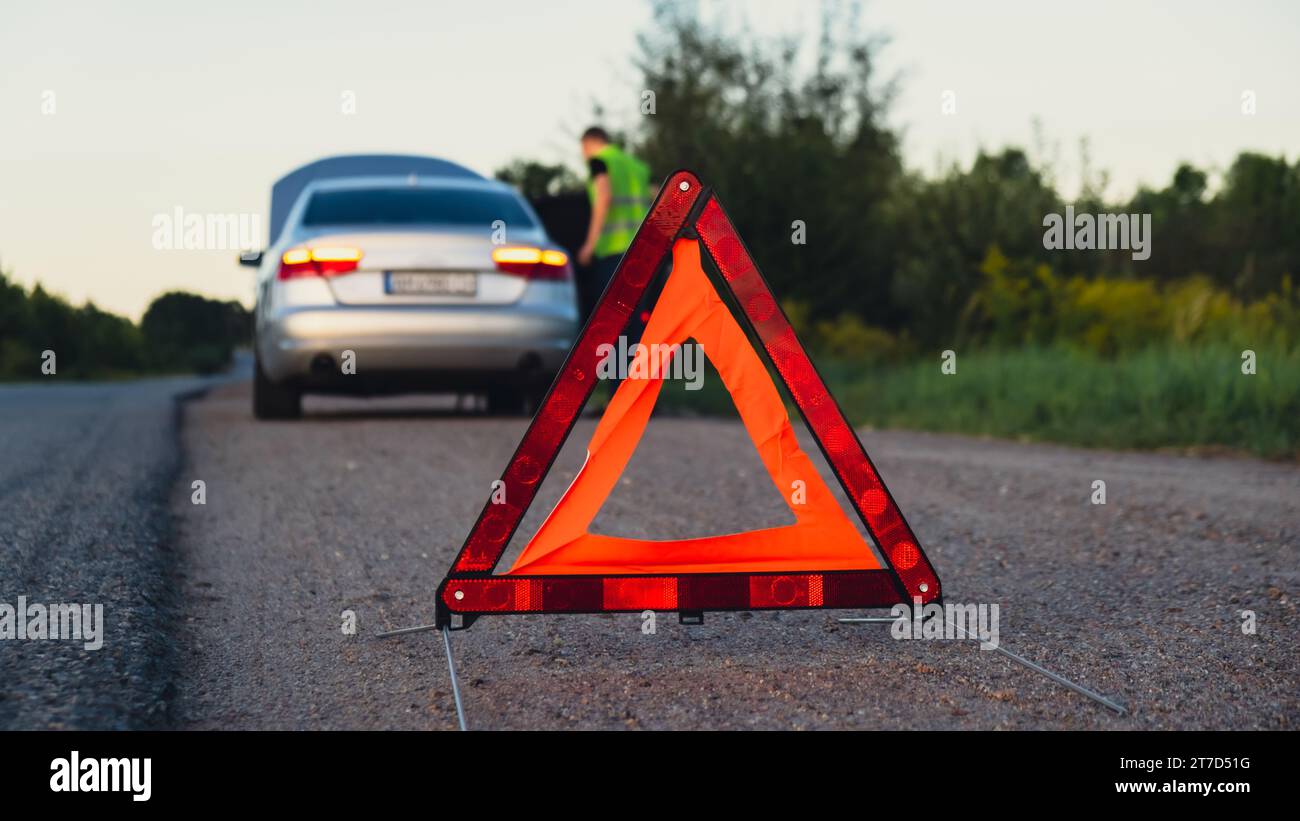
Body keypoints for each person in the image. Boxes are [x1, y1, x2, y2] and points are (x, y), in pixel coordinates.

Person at [577, 127, 652, 321]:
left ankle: (617, 352)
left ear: (588, 144)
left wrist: (589, 245)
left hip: (613, 252)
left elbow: (604, 197)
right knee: (637, 314)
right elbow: (655, 194)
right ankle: (636, 352)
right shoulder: (637, 166)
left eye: (582, 150)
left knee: (613, 318)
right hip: (643, 249)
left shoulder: (599, 162)